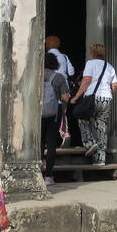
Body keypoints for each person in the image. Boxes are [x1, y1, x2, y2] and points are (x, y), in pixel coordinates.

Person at [72, 44, 117, 165]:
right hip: (106, 99)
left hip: (92, 98)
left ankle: (90, 143)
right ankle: (100, 160)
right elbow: (114, 85)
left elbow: (86, 80)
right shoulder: (110, 66)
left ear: (92, 53)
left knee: (82, 118)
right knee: (101, 126)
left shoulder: (90, 64)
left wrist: (76, 96)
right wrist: (109, 95)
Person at [41, 52, 71, 186]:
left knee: (39, 142)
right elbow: (65, 97)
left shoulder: (36, 74)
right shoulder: (58, 77)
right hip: (54, 112)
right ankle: (48, 176)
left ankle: (38, 167)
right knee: (51, 144)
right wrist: (64, 107)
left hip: (37, 112)